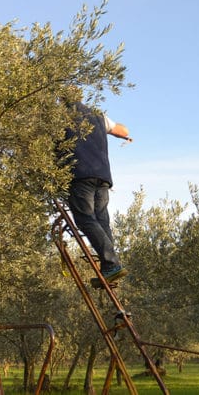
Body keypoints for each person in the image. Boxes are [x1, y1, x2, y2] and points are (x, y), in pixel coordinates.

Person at [65, 101, 132, 285]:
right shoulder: (98, 115)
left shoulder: (60, 115)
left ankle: (111, 263)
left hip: (80, 174)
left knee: (85, 218)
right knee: (102, 220)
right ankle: (109, 269)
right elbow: (123, 131)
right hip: (103, 176)